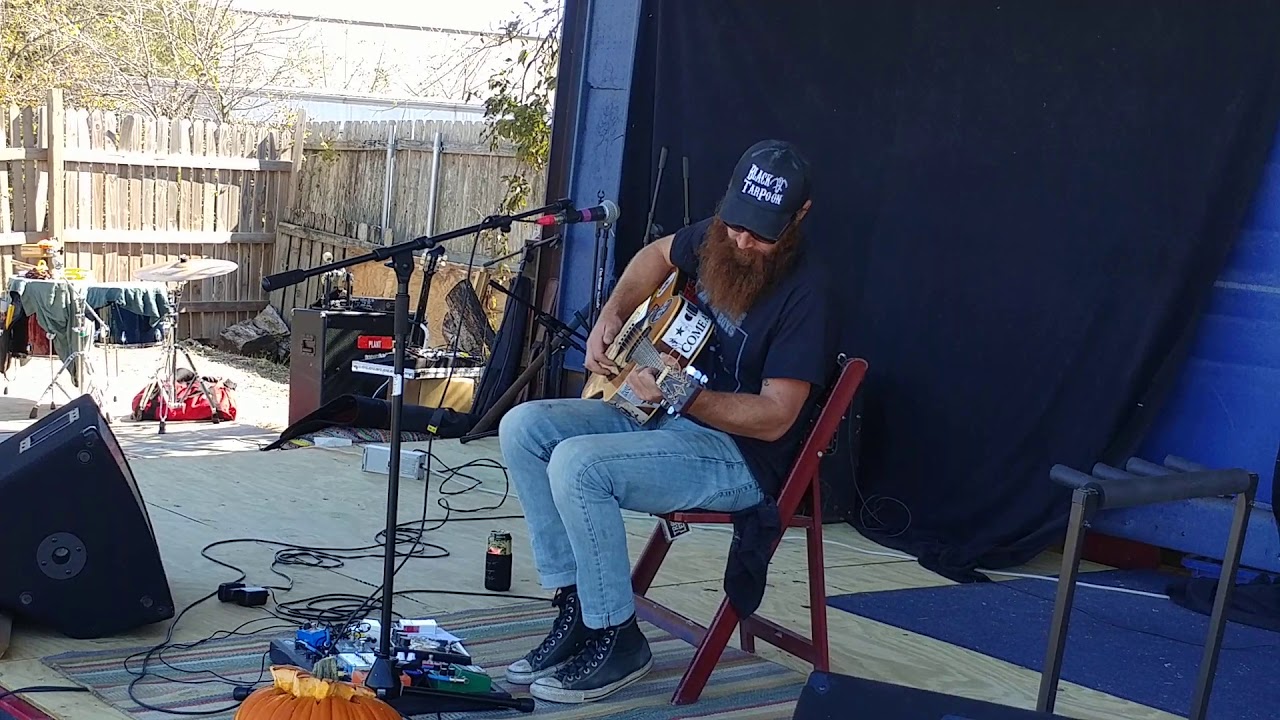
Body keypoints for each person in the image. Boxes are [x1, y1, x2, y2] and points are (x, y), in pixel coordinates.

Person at [497, 139, 833, 704]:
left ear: (798, 217)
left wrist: (683, 393)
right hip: (667, 419)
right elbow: (656, 255)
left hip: (738, 457)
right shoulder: (716, 237)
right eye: (735, 226)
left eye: (760, 234)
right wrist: (613, 311)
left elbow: (776, 418)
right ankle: (578, 609)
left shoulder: (809, 294)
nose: (742, 242)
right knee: (524, 427)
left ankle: (618, 636)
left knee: (580, 465)